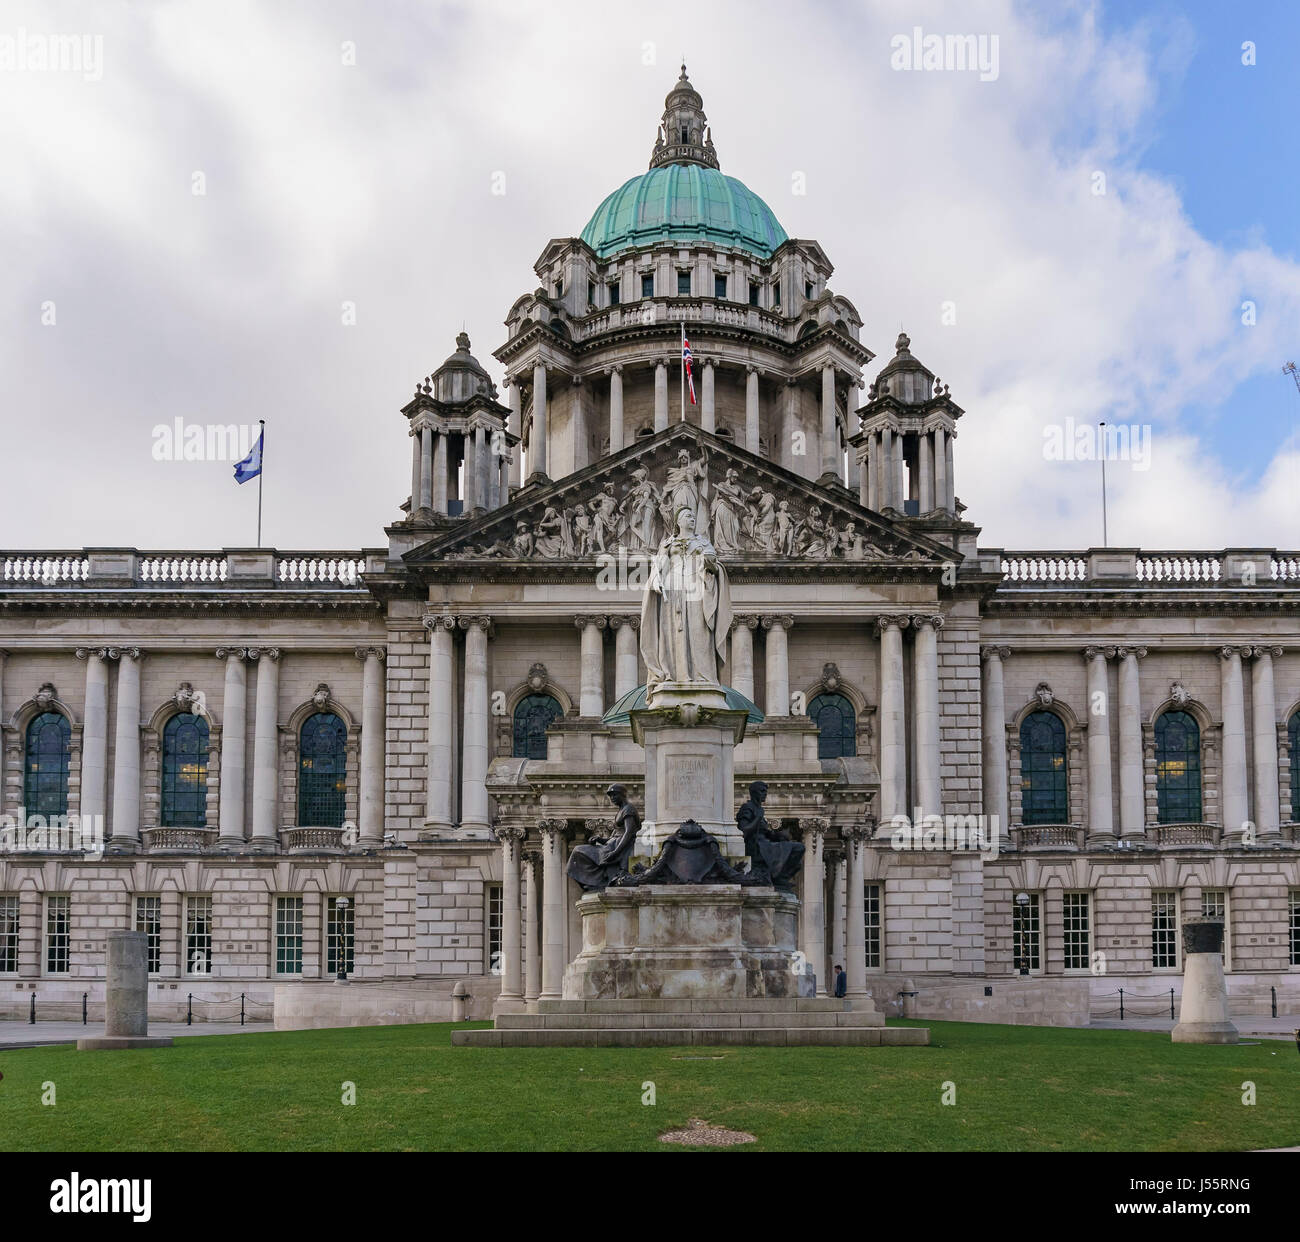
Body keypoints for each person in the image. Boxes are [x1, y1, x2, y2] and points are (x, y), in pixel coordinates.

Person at [565, 784, 640, 890]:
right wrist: (599, 839)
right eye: (611, 796)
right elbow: (615, 835)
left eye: (615, 795)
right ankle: (594, 882)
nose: (612, 798)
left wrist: (615, 853)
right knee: (578, 852)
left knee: (578, 851)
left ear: (622, 795)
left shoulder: (628, 809)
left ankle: (598, 881)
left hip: (619, 847)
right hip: (612, 844)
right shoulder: (621, 811)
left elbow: (629, 833)